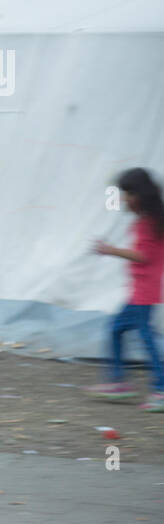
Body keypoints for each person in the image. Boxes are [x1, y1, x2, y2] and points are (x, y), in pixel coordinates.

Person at [85, 167, 164, 412]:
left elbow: (143, 256)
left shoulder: (148, 223)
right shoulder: (152, 220)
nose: (123, 199)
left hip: (143, 292)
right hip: (142, 290)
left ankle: (159, 389)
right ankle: (119, 381)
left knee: (145, 338)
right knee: (117, 329)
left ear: (139, 195)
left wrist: (111, 250)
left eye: (127, 194)